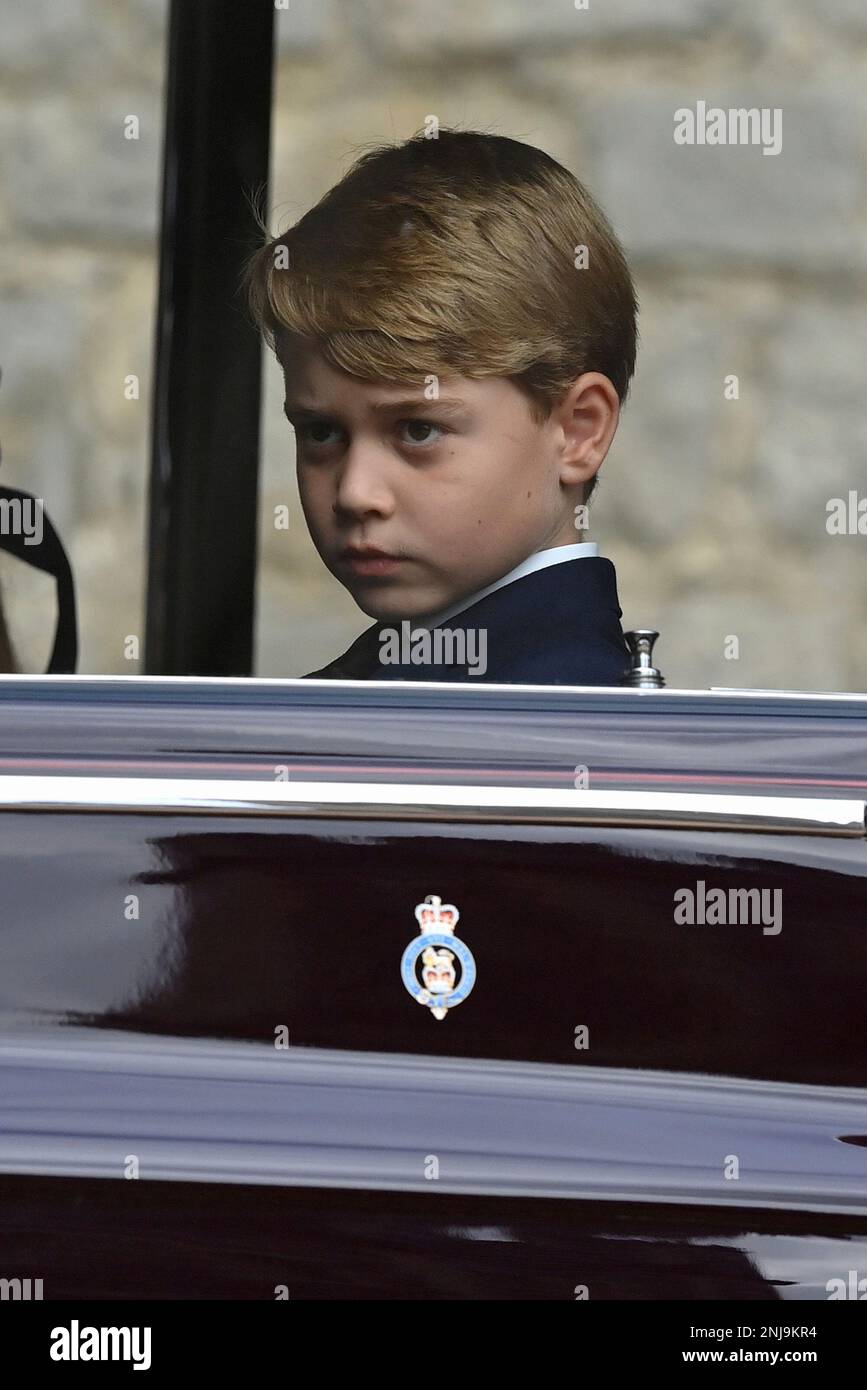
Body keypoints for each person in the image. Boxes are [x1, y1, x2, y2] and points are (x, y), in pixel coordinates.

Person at [245, 128, 638, 684]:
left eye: (419, 431)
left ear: (578, 431)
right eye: (321, 433)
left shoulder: (549, 726)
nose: (356, 493)